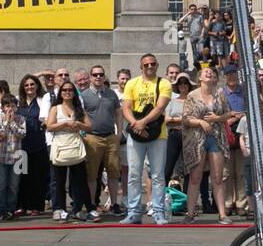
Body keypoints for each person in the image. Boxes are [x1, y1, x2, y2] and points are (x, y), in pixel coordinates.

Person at [121, 54, 173, 225]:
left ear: (157, 65)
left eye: (152, 64)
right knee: (134, 174)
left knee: (157, 175)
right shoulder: (131, 83)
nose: (149, 66)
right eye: (146, 64)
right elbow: (126, 107)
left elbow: (160, 107)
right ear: (141, 67)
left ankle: (158, 211)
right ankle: (134, 211)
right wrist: (136, 124)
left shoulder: (164, 83)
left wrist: (143, 122)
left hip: (157, 133)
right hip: (136, 132)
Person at [181, 66, 233, 223]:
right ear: (200, 78)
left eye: (212, 72)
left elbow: (228, 113)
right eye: (206, 72)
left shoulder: (220, 93)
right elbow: (185, 119)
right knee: (195, 177)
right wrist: (201, 122)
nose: (209, 73)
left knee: (218, 177)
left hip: (216, 137)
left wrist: (217, 119)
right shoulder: (192, 95)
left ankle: (222, 214)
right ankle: (190, 213)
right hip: (196, 139)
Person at [80, 66, 123, 218]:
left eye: (101, 74)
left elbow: (118, 113)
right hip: (92, 138)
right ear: (90, 77)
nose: (98, 77)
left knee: (113, 171)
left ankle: (114, 204)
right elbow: (80, 116)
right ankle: (91, 204)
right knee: (92, 174)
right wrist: (83, 135)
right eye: (95, 74)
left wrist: (119, 133)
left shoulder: (111, 94)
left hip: (111, 137)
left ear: (104, 77)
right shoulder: (84, 95)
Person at [46, 80, 91, 221]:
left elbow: (89, 127)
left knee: (79, 180)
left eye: (70, 90)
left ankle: (77, 208)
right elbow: (49, 126)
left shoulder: (79, 109)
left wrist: (78, 124)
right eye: (64, 90)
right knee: (58, 180)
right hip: (60, 144)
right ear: (61, 92)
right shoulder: (55, 108)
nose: (67, 92)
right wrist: (65, 123)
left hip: (75, 144)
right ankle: (59, 208)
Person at [15, 75, 50, 216]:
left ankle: (36, 206)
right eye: (26, 85)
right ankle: (21, 206)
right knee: (21, 177)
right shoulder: (18, 101)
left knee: (37, 177)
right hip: (20, 146)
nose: (29, 87)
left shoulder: (43, 100)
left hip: (38, 144)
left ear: (37, 86)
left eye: (32, 84)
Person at [0, 94, 25, 220]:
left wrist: (13, 123)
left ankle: (11, 209)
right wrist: (6, 122)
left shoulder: (21, 119)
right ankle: (0, 209)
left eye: (13, 106)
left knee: (14, 185)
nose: (10, 109)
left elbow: (22, 134)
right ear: (3, 108)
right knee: (1, 185)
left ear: (16, 107)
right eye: (7, 106)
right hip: (2, 157)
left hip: (18, 157)